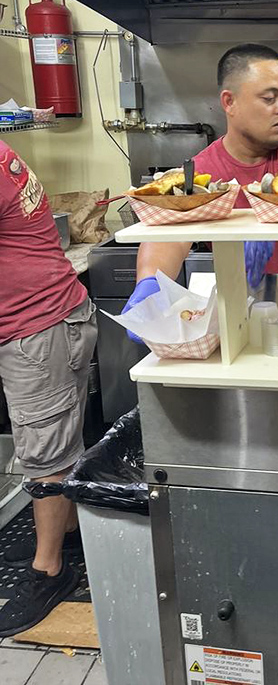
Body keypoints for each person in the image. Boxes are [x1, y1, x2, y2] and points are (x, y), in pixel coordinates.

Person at [125, 44, 278, 316]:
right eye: (269, 98)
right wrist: (149, 284)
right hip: (243, 308)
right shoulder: (203, 170)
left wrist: (264, 226)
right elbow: (169, 237)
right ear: (230, 102)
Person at [0, 141, 97, 637]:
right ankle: (70, 530)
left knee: (48, 453)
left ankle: (50, 569)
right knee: (58, 441)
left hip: (36, 327)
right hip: (49, 317)